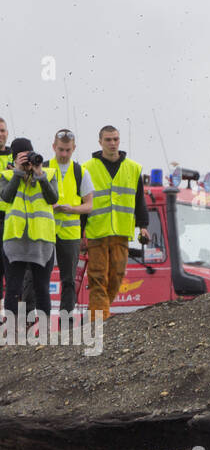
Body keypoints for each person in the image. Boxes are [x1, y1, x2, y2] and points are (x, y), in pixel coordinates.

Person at [83, 126, 149, 321]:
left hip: (121, 232)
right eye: (108, 140)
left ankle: (97, 313)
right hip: (97, 232)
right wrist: (80, 234)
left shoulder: (133, 168)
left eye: (116, 139)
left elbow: (139, 200)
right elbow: (83, 200)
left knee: (116, 278)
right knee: (97, 278)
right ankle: (99, 320)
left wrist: (143, 226)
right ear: (100, 142)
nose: (112, 143)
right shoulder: (87, 168)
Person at [0, 138, 59, 321]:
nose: (27, 161)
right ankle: (11, 330)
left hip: (41, 241)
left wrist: (39, 174)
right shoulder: (7, 175)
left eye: (29, 155)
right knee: (13, 287)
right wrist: (17, 172)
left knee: (41, 287)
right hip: (15, 241)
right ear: (15, 158)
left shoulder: (48, 174)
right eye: (22, 157)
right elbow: (7, 197)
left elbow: (52, 198)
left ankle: (44, 332)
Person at [45, 130, 94, 316]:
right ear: (53, 147)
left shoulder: (81, 172)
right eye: (60, 150)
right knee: (37, 277)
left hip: (70, 234)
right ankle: (35, 318)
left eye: (67, 150)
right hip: (44, 230)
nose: (64, 154)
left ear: (74, 148)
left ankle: (66, 319)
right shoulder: (43, 168)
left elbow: (89, 206)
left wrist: (71, 209)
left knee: (68, 279)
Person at [0, 117, 13, 300]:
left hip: (11, 219)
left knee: (11, 269)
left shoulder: (16, 156)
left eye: (2, 130)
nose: (0, 134)